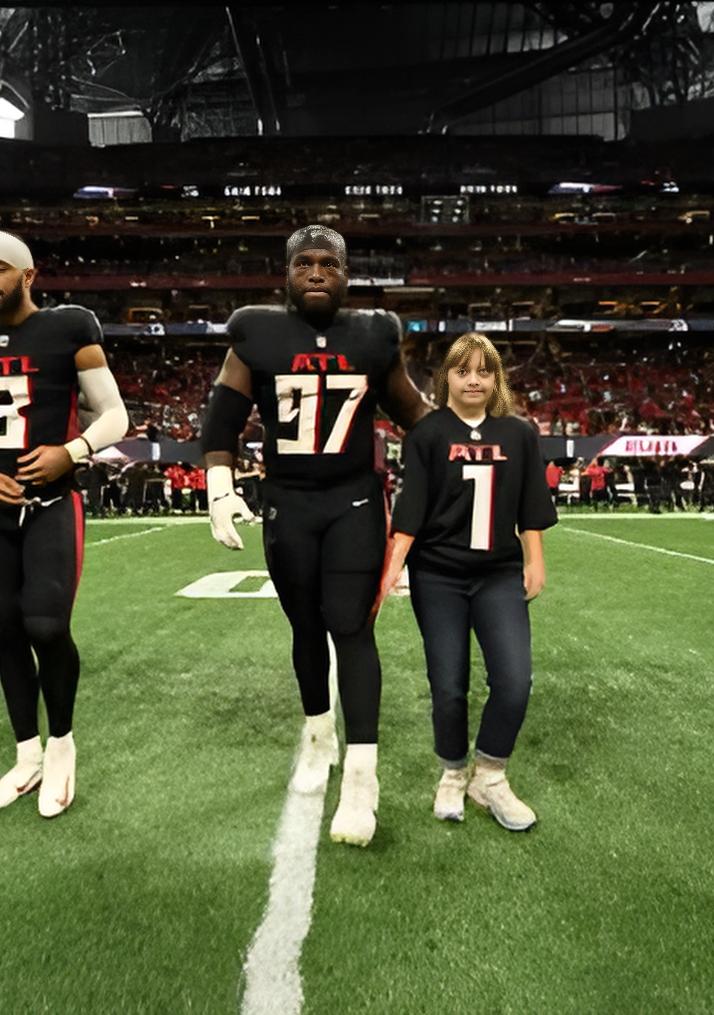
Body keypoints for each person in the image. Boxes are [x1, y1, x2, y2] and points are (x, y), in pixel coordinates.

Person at [201, 224, 429, 847]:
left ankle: (362, 774)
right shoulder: (256, 331)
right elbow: (221, 421)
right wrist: (220, 486)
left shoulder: (375, 334)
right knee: (305, 626)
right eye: (306, 263)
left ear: (348, 274)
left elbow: (415, 415)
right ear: (287, 273)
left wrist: (474, 446)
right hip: (288, 502)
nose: (318, 272)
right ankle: (318, 732)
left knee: (351, 628)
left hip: (354, 500)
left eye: (330, 263)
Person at [0, 229, 128, 818]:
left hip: (52, 505)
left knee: (46, 625)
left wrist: (74, 450)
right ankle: (26, 754)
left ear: (28, 276)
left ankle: (61, 744)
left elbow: (115, 415)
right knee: (6, 628)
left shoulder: (67, 328)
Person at [382, 333, 556, 830]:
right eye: (463, 370)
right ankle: (454, 772)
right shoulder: (427, 433)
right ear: (447, 378)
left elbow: (530, 504)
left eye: (484, 370)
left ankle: (492, 775)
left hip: (498, 573)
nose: (474, 379)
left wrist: (535, 559)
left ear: (496, 377)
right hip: (438, 574)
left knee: (514, 679)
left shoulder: (519, 433)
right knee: (448, 685)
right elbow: (411, 510)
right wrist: (393, 568)